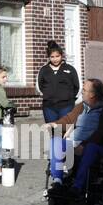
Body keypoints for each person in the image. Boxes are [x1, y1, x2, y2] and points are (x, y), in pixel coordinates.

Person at [52, 78, 103, 193]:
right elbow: (68, 119)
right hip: (75, 143)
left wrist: (83, 145)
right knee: (56, 142)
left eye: (84, 90)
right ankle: (57, 180)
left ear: (92, 94)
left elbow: (101, 132)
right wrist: (54, 124)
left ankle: (77, 186)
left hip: (97, 145)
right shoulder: (82, 106)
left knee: (90, 148)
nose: (81, 92)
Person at [36, 41, 81, 184]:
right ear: (49, 57)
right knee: (55, 133)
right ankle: (57, 160)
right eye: (52, 57)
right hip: (49, 106)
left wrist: (69, 98)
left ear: (62, 56)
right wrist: (49, 96)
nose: (55, 59)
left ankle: (68, 160)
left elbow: (77, 86)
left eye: (57, 56)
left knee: (66, 132)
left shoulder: (70, 69)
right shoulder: (44, 70)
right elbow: (40, 86)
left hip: (66, 106)